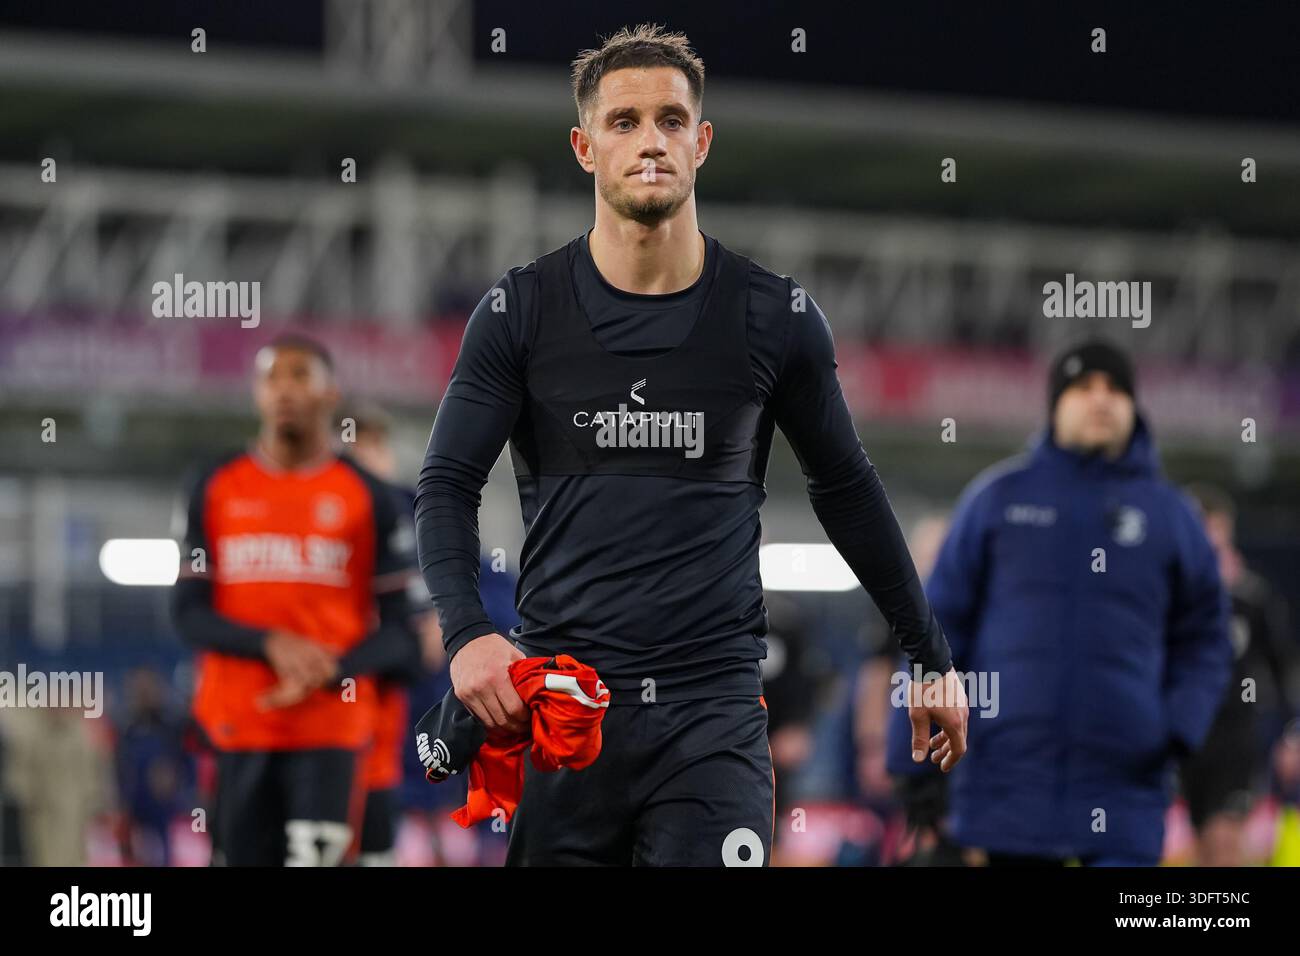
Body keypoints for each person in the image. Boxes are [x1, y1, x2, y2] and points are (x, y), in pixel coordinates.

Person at [415, 23, 966, 867]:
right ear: (584, 146)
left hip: (712, 723)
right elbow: (447, 484)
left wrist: (928, 654)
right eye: (624, 122)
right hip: (573, 719)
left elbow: (846, 489)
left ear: (701, 143)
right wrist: (467, 637)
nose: (650, 142)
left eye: (671, 121)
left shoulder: (773, 317)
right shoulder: (519, 312)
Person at [888, 339, 1232, 866]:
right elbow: (934, 628)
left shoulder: (1171, 516)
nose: (1101, 400)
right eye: (1084, 387)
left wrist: (1178, 727)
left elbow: (1207, 637)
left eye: (1116, 389)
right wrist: (911, 764)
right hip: (1007, 781)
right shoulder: (998, 499)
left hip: (1127, 786)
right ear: (1055, 404)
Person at [172, 334, 420, 866]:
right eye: (272, 377)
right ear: (257, 393)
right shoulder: (214, 486)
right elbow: (187, 613)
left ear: (330, 394)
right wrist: (270, 643)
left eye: (300, 375)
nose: (285, 389)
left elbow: (403, 634)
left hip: (330, 731)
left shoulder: (369, 498)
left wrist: (332, 667)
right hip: (238, 727)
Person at [1181, 483, 1297, 866]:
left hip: (1235, 739)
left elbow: (1285, 669)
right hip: (1180, 739)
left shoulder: (1251, 598)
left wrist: (1292, 735)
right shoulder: (1162, 598)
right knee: (1193, 849)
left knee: (1224, 841)